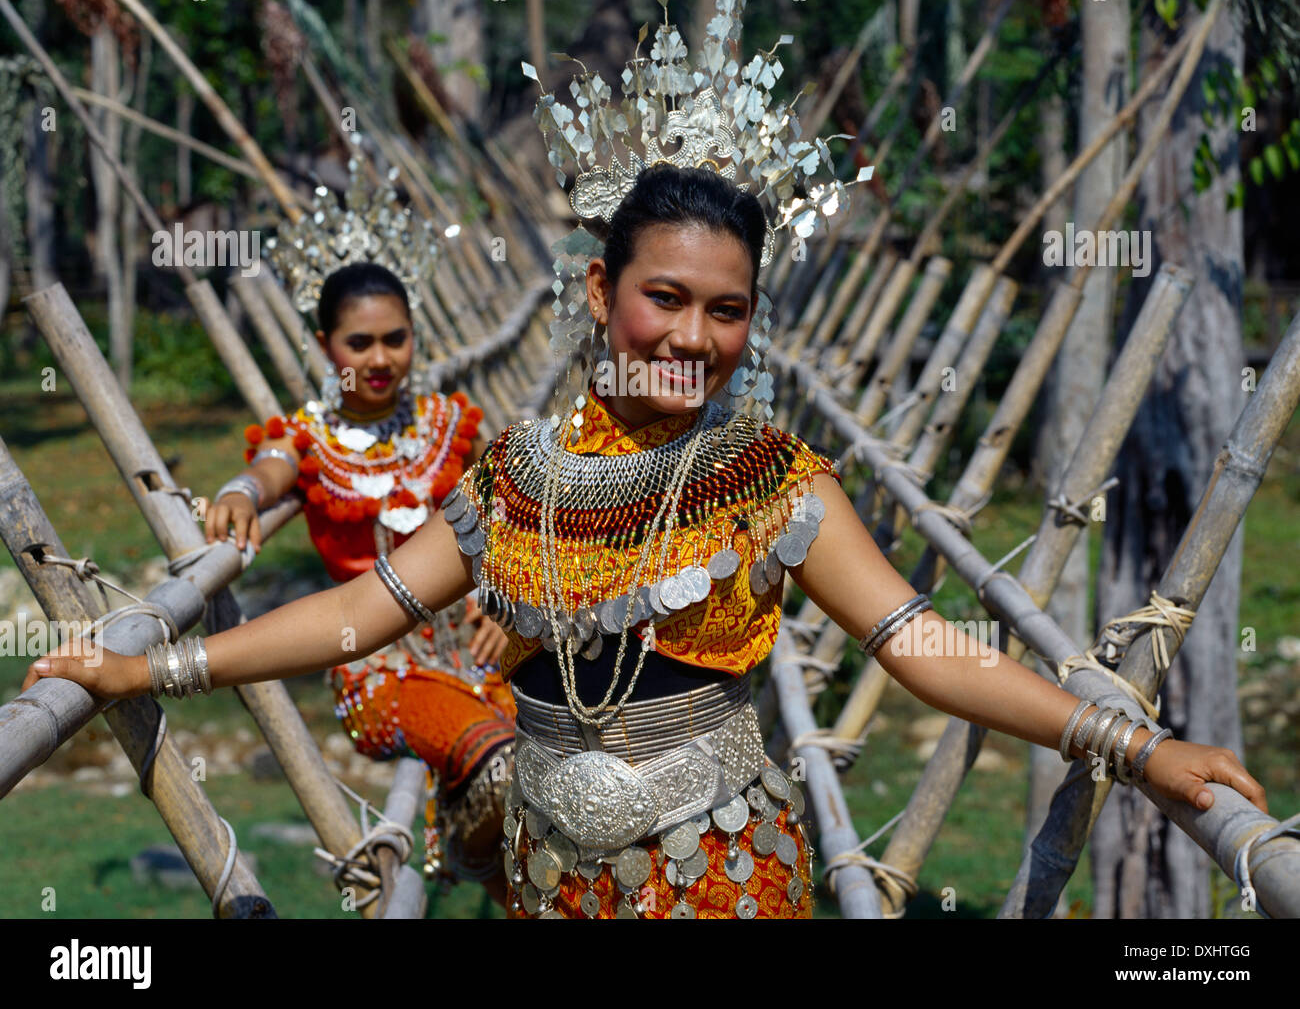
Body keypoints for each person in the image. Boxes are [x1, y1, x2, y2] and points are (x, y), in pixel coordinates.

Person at [25, 165, 1267, 919]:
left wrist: (1135, 745)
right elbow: (363, 613)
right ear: (600, 295)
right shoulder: (517, 475)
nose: (693, 333)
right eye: (663, 296)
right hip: (549, 875)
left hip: (721, 871)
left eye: (726, 309)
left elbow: (920, 644)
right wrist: (150, 670)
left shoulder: (766, 477)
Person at [201, 261, 516, 898]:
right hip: (378, 671)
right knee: (503, 767)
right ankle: (473, 856)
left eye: (394, 339)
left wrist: (500, 599)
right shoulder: (309, 438)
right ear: (325, 346)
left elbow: (512, 520)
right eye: (359, 342)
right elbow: (266, 469)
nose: (380, 358)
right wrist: (239, 492)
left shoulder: (451, 427)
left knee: (575, 783)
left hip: (485, 654)